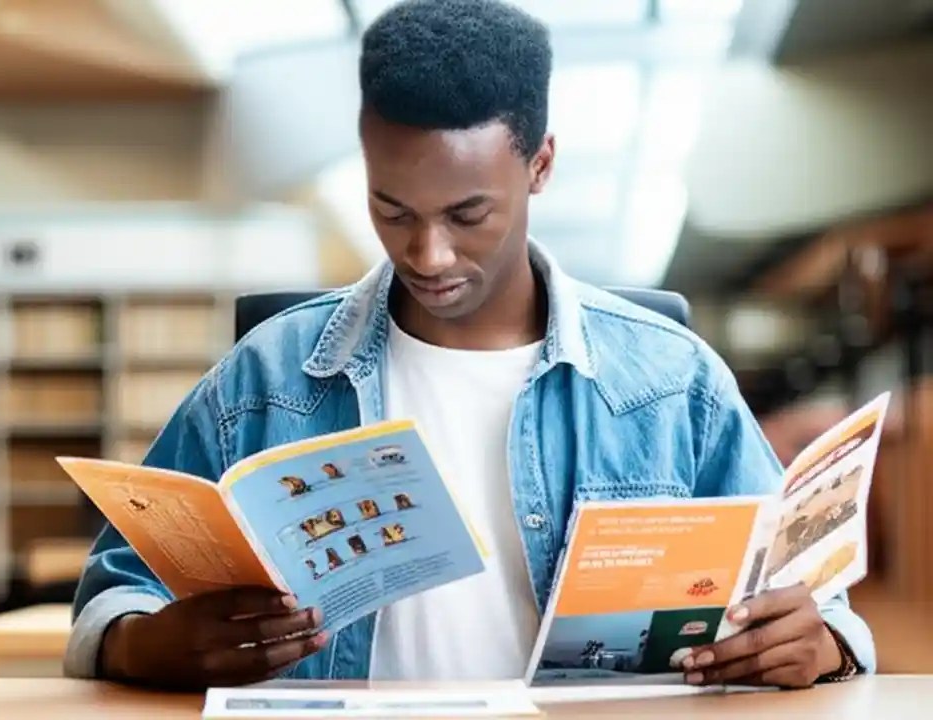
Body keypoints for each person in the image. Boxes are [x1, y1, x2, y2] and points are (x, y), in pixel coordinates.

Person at [64, 0, 873, 691]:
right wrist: (144, 644)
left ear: (541, 164)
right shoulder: (264, 380)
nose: (427, 255)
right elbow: (113, 594)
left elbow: (817, 606)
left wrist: (821, 646)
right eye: (392, 209)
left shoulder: (673, 382)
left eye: (466, 215)